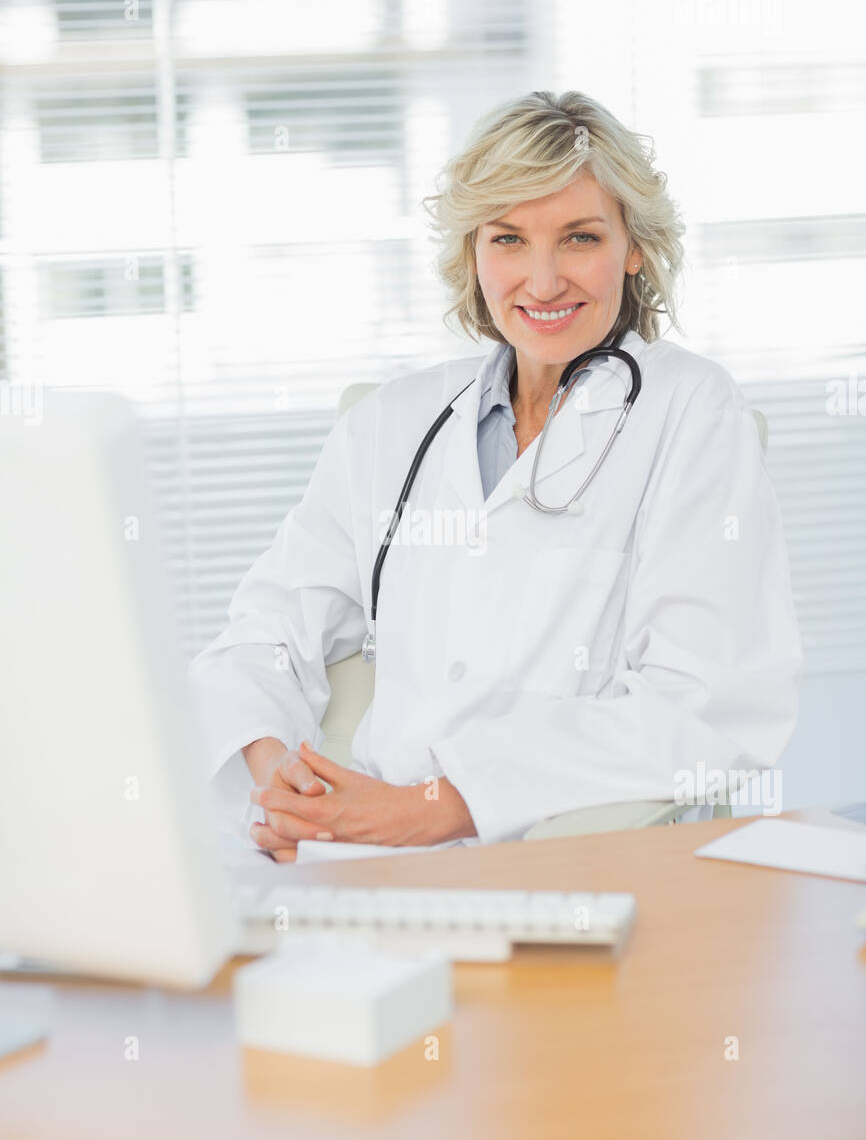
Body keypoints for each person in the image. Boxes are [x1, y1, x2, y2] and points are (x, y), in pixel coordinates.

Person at [187, 89, 802, 859]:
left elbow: (709, 706)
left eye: (579, 238)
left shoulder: (692, 413)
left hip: (553, 853)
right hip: (341, 854)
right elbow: (264, 636)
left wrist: (437, 808)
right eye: (508, 239)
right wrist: (278, 780)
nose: (541, 283)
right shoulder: (391, 421)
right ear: (473, 253)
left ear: (634, 247)